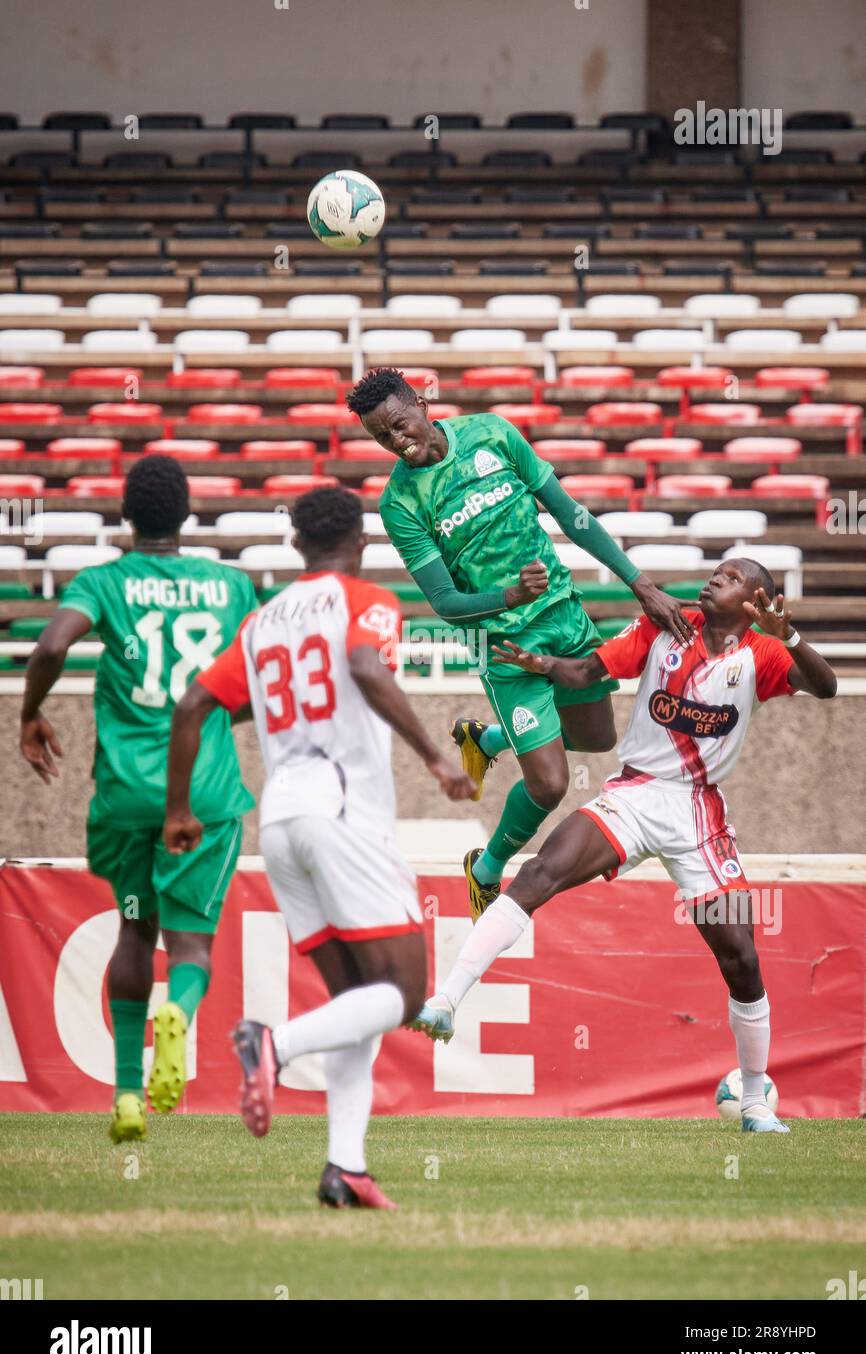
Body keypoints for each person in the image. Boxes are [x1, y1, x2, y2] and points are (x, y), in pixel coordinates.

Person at [410, 558, 837, 1133]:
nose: (714, 578)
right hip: (633, 796)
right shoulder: (665, 624)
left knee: (741, 956)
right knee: (541, 872)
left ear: (757, 599)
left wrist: (791, 635)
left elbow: (827, 686)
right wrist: (542, 664)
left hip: (698, 815)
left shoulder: (761, 653)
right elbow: (590, 673)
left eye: (731, 576)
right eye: (715, 571)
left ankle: (756, 1100)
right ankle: (446, 1002)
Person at [163, 485, 475, 1208]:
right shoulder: (366, 598)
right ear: (361, 541)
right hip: (343, 812)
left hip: (280, 819)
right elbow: (365, 668)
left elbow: (193, 706)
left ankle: (346, 1167)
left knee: (357, 1002)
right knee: (402, 995)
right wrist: (435, 756)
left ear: (295, 544)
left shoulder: (262, 620)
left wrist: (179, 808)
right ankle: (273, 1044)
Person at [346, 367, 695, 921]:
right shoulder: (400, 503)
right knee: (552, 783)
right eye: (380, 436)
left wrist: (641, 583)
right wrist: (509, 596)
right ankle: (487, 867)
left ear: (419, 401)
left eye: (398, 422)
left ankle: (486, 739)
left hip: (564, 619)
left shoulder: (493, 434)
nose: (397, 439)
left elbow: (571, 515)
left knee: (598, 738)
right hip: (503, 648)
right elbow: (442, 602)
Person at [19, 455, 257, 1143]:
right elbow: (260, 678)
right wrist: (217, 720)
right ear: (186, 517)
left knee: (133, 930)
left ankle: (126, 1095)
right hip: (203, 795)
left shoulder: (102, 581)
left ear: (126, 516)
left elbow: (51, 644)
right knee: (191, 947)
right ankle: (177, 1008)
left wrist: (30, 712)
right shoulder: (231, 585)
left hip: (125, 795)